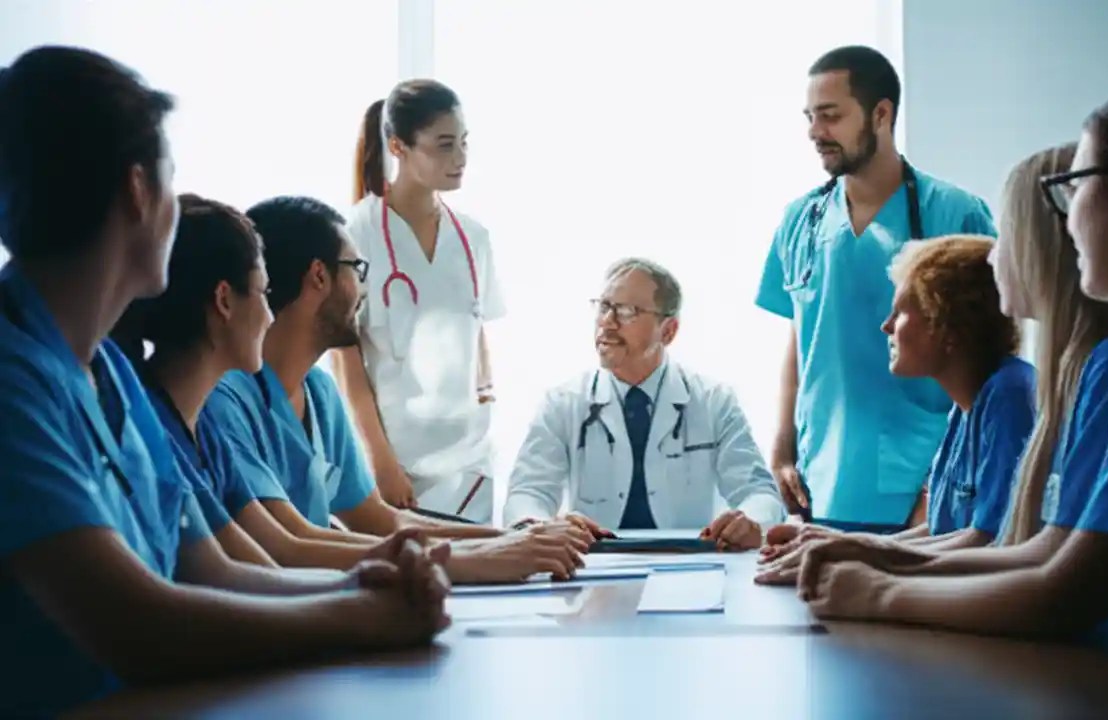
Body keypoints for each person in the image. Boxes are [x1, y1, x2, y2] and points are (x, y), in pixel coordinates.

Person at [792, 78, 1108, 717]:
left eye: (1071, 191)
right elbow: (1054, 550)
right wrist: (872, 561)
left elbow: (1065, 588)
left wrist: (878, 592)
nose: (1068, 221)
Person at [0, 46, 449, 719]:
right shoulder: (14, 380)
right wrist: (363, 619)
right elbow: (136, 625)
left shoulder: (113, 376)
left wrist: (364, 588)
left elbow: (210, 571)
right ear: (136, 190)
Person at [756, 143, 1108, 585]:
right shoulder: (979, 403)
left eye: (1009, 239)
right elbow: (980, 538)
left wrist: (875, 583)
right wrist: (844, 546)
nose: (994, 255)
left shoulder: (1061, 379)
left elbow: (1034, 558)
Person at [199, 195, 587, 582]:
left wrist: (516, 539)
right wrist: (486, 557)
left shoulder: (319, 391)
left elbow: (379, 519)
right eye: (357, 268)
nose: (365, 290)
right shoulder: (225, 398)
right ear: (319, 275)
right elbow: (287, 543)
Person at [114, 193, 463, 569]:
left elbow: (262, 564)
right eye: (264, 293)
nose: (269, 316)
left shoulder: (205, 437)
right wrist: (428, 567)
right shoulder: (181, 420)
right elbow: (274, 555)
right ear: (224, 301)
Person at [756, 45, 998, 530]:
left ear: (881, 114)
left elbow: (989, 361)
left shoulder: (955, 214)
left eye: (830, 116)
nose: (814, 132)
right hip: (820, 486)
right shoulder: (800, 221)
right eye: (809, 117)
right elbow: (801, 338)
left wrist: (939, 488)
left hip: (921, 492)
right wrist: (782, 452)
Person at [756, 236, 1033, 581]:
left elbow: (990, 540)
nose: (886, 326)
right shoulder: (964, 408)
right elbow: (936, 530)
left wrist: (857, 556)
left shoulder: (1010, 395)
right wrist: (835, 544)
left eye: (901, 312)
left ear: (947, 325)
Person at [504, 259, 786, 549]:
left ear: (668, 331)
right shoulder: (563, 403)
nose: (607, 322)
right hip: (593, 563)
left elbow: (760, 493)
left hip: (689, 565)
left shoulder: (714, 401)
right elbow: (528, 493)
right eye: (603, 306)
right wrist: (537, 526)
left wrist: (751, 522)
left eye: (627, 311)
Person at [334, 80, 503, 523]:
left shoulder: (473, 238)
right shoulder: (356, 233)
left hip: (470, 470)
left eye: (464, 142)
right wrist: (380, 462)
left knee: (483, 586)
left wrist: (486, 398)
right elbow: (345, 361)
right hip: (395, 468)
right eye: (444, 145)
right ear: (398, 146)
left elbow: (477, 334)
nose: (461, 157)